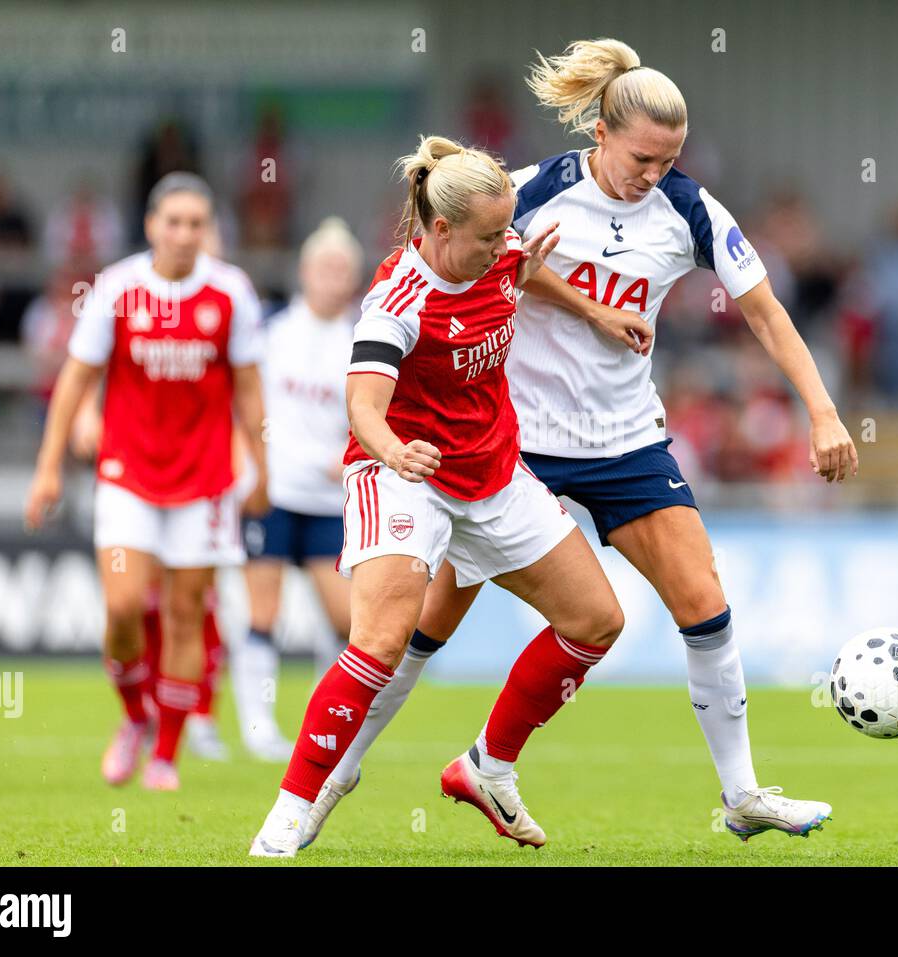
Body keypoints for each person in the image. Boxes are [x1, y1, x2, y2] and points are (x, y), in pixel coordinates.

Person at [306, 37, 854, 847]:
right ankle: (331, 777)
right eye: (642, 157)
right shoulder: (531, 191)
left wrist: (824, 412)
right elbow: (465, 267)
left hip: (626, 439)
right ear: (600, 131)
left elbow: (767, 312)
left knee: (704, 602)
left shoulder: (692, 211)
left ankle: (737, 794)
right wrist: (589, 309)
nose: (654, 174)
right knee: (426, 621)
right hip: (512, 441)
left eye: (670, 159)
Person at [248, 135, 626, 857]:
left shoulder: (499, 250)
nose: (502, 245)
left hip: (492, 474)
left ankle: (487, 763)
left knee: (597, 620)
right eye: (488, 235)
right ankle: (292, 810)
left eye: (505, 231)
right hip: (402, 471)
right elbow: (362, 403)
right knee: (381, 642)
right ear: (441, 229)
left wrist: (592, 312)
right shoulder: (396, 298)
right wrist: (394, 450)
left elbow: (517, 271)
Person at [24, 172, 269, 791]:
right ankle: (135, 717)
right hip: (127, 474)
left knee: (188, 615)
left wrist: (262, 469)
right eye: (174, 222)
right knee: (123, 607)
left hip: (206, 479)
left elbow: (248, 391)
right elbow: (76, 380)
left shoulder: (231, 292)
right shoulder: (117, 288)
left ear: (206, 228)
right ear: (151, 225)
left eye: (196, 223)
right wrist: (49, 467)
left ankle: (164, 755)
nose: (185, 234)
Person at [234, 217, 364, 760]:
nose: (333, 278)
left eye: (343, 270)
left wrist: (352, 458)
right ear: (305, 271)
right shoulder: (274, 335)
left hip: (328, 504)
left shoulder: (360, 342)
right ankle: (258, 726)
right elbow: (249, 408)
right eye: (325, 267)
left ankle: (322, 727)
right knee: (263, 614)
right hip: (274, 491)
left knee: (346, 622)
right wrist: (252, 471)